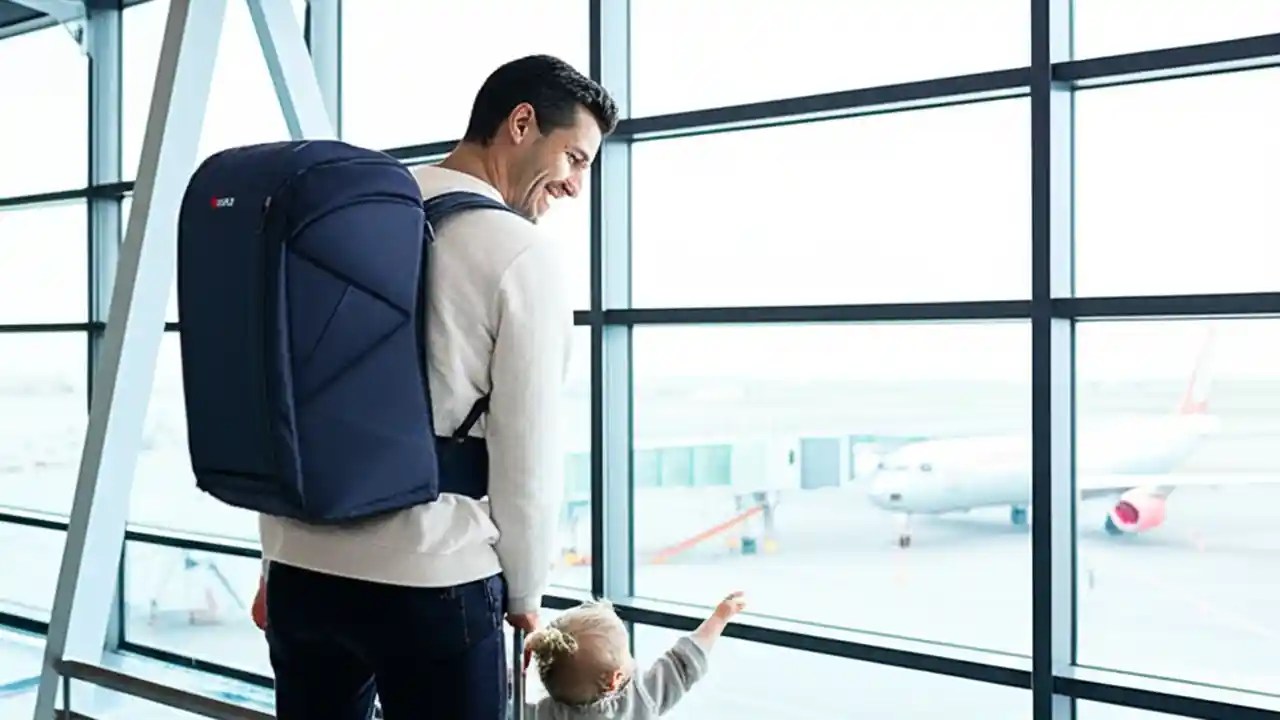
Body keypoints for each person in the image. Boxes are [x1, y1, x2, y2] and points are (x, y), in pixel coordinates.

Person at [258, 54, 619, 720]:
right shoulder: (519, 252)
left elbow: (293, 394)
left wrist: (272, 562)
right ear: (520, 123)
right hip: (430, 579)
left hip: (300, 572)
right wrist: (526, 595)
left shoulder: (345, 218)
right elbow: (527, 447)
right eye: (574, 158)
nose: (574, 185)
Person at [522, 592, 748, 718]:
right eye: (627, 654)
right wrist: (719, 618)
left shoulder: (536, 714)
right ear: (614, 681)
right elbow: (682, 664)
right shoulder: (637, 702)